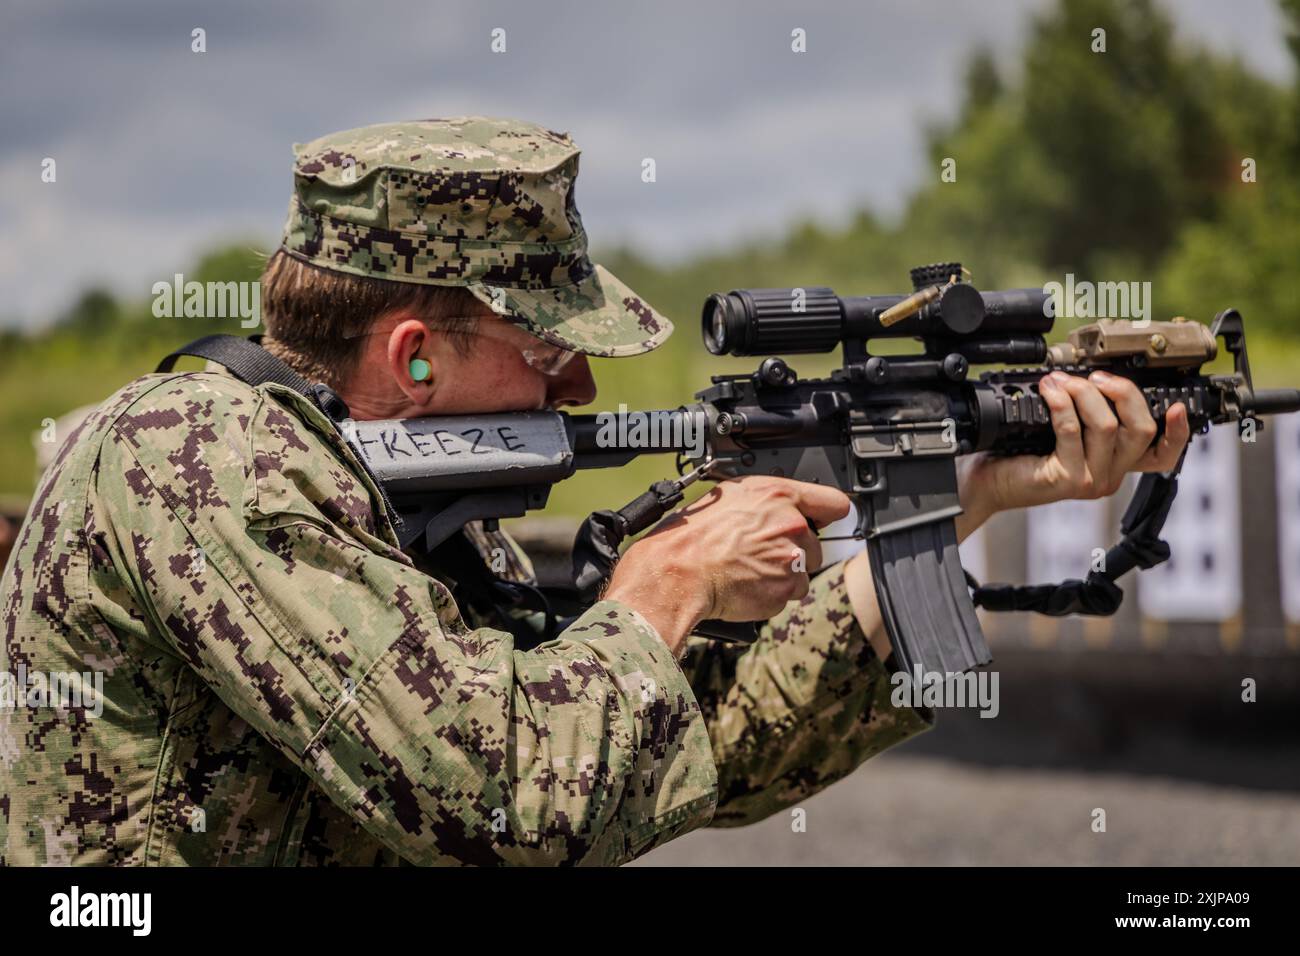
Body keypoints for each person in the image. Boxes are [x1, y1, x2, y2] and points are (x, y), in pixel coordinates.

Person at [0, 117, 1189, 866]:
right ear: (412, 356)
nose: (573, 379)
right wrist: (663, 583)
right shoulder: (195, 458)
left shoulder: (409, 518)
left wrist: (951, 499)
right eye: (545, 342)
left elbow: (666, 758)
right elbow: (502, 796)